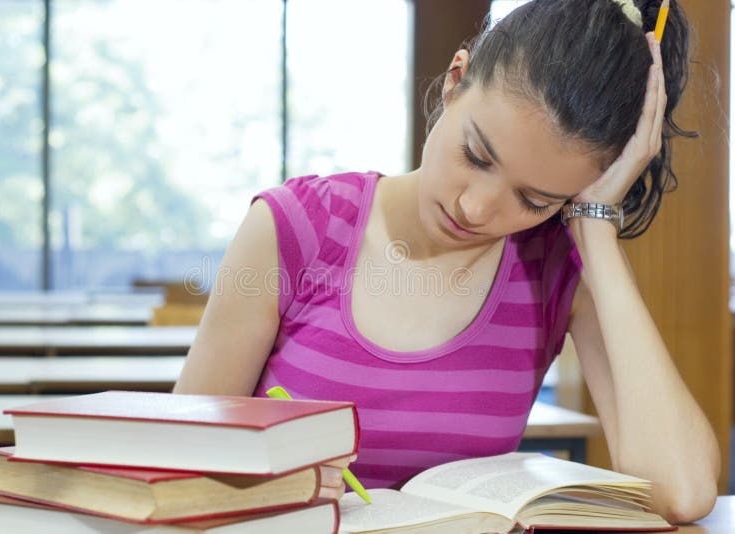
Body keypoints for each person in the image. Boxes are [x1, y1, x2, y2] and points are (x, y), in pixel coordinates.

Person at [174, 0, 719, 523]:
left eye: (535, 200)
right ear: (455, 81)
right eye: (476, 156)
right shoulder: (297, 227)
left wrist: (596, 227)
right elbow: (176, 462)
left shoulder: (558, 269)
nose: (475, 209)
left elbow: (683, 492)